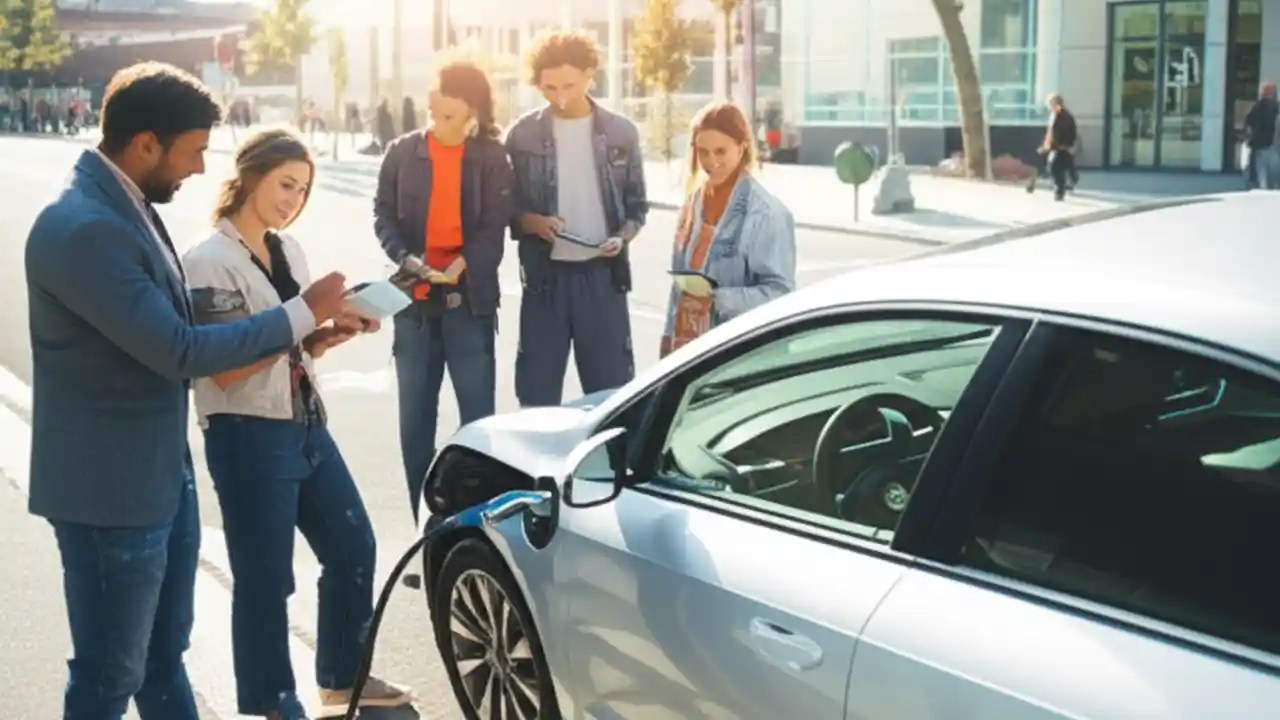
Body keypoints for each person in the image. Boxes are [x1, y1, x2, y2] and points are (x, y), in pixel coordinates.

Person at [23, 61, 348, 720]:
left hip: (159, 480)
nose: (202, 169)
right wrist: (300, 314)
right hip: (110, 496)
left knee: (162, 661)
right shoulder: (86, 228)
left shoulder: (123, 203)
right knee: (109, 678)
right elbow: (179, 349)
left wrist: (303, 338)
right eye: (195, 149)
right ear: (146, 143)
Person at [184, 128, 412, 719]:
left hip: (306, 422)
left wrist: (332, 330)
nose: (292, 200)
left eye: (303, 190)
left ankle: (340, 679)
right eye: (285, 184)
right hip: (246, 432)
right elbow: (226, 368)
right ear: (250, 175)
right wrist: (308, 309)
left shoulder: (289, 253)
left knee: (353, 545)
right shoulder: (208, 261)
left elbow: (291, 342)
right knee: (265, 577)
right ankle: (271, 701)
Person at [373, 61, 514, 517]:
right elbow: (383, 216)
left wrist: (464, 262)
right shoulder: (401, 153)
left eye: (449, 116)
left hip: (467, 303)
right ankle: (425, 528)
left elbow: (496, 225)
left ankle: (477, 523)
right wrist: (406, 258)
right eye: (434, 112)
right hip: (413, 304)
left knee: (478, 424)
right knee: (415, 427)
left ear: (473, 114)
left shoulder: (491, 158)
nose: (438, 123)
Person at [506, 29, 648, 407]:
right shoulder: (521, 135)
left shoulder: (622, 132)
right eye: (549, 88)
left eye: (569, 84)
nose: (560, 96)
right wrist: (532, 222)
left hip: (603, 279)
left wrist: (623, 236)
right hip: (544, 282)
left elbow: (638, 205)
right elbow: (507, 210)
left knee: (611, 399)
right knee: (536, 398)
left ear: (590, 75)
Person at [660, 101, 796, 357]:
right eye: (703, 152)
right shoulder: (693, 203)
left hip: (739, 358)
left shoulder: (765, 213)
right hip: (689, 355)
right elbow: (679, 288)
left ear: (742, 147)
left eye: (721, 151)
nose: (712, 162)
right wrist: (668, 345)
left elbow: (780, 295)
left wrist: (717, 299)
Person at [1242, 80, 1278, 190]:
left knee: (1262, 181)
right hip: (1274, 148)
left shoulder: (1256, 108)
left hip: (1259, 148)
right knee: (1274, 181)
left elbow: (1247, 126)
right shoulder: (1276, 107)